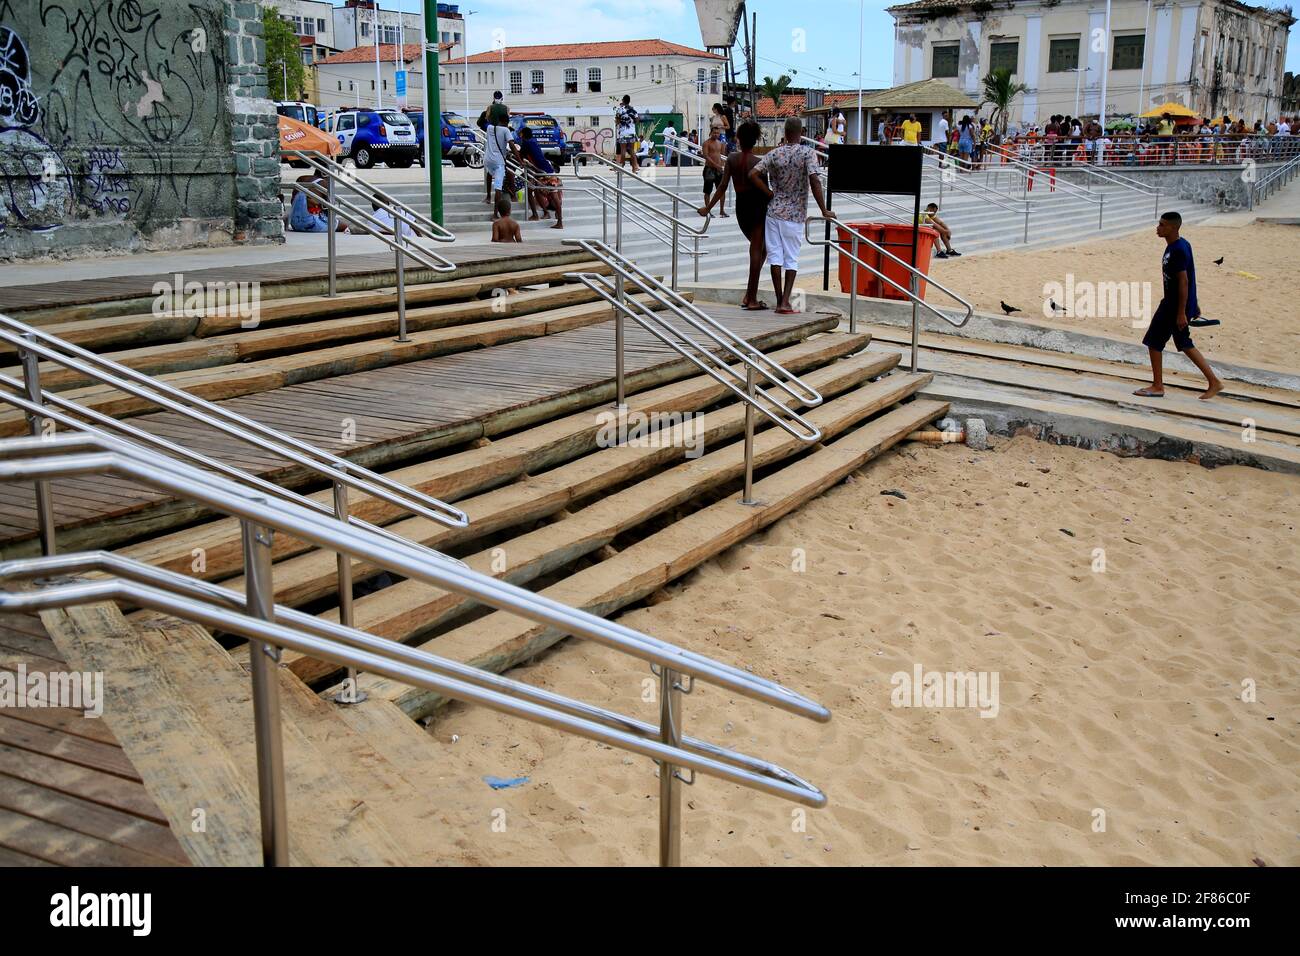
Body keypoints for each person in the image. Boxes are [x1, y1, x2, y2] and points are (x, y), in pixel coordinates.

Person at [1133, 212, 1222, 400]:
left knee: (1154, 342)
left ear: (1173, 228)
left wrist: (1182, 312)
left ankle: (1158, 386)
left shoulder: (1178, 250)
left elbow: (1184, 281)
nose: (1158, 227)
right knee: (1183, 343)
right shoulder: (1180, 245)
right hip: (1175, 304)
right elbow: (1191, 275)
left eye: (1162, 225)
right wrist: (1194, 304)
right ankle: (1214, 382)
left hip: (1174, 306)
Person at [748, 117, 832, 315]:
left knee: (775, 258)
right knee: (791, 259)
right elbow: (814, 181)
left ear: (784, 133)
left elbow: (752, 174)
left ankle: (779, 300)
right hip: (794, 214)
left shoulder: (774, 153)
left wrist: (769, 193)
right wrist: (824, 209)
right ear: (800, 132)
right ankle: (785, 302)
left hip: (774, 212)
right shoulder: (807, 153)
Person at [699, 121, 769, 309]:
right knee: (757, 250)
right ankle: (751, 298)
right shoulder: (758, 162)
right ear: (755, 140)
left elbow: (722, 187)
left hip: (741, 207)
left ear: (738, 139)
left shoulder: (731, 159)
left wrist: (708, 208)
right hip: (757, 207)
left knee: (760, 250)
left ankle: (749, 294)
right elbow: (765, 191)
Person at [518, 126, 563, 228]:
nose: (519, 135)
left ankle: (535, 214)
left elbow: (521, 156)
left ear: (522, 134)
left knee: (530, 191)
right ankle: (557, 220)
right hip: (549, 170)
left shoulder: (526, 143)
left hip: (539, 172)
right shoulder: (533, 142)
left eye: (520, 133)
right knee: (545, 192)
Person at [483, 112, 516, 220]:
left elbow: (483, 121)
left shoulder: (489, 128)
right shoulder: (506, 130)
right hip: (498, 162)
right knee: (498, 188)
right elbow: (511, 144)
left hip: (487, 160)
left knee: (489, 173)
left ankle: (488, 196)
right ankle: (495, 214)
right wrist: (519, 160)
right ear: (506, 122)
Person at [701, 125, 728, 217]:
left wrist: (722, 165)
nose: (716, 134)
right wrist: (716, 165)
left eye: (718, 133)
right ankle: (707, 210)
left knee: (721, 190)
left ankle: (722, 210)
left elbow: (723, 155)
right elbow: (706, 156)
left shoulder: (720, 143)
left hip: (719, 170)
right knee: (708, 191)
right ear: (711, 133)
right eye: (714, 133)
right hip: (709, 169)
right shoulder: (706, 143)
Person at [614, 95, 640, 173]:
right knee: (632, 151)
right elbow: (637, 121)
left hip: (623, 133)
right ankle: (634, 168)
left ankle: (621, 168)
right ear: (629, 101)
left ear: (623, 100)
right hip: (631, 132)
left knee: (623, 151)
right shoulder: (633, 110)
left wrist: (618, 122)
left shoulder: (619, 110)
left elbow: (617, 121)